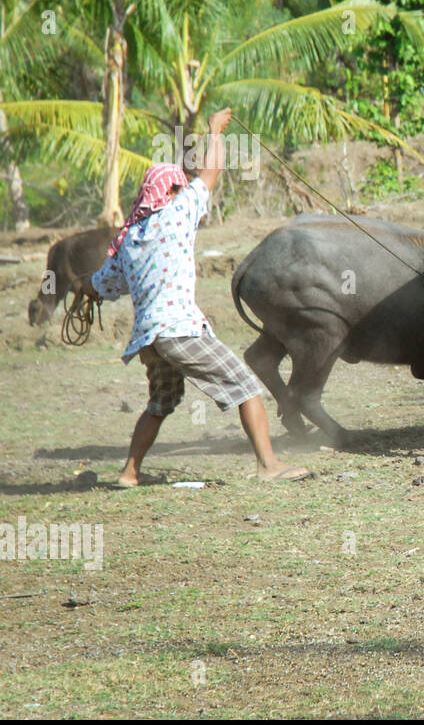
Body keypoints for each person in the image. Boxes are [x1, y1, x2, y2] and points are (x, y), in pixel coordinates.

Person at [82, 108, 309, 485]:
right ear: (170, 191)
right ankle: (269, 466)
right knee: (247, 387)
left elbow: (98, 285)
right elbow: (210, 174)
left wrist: (78, 287)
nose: (183, 190)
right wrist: (214, 131)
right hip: (180, 331)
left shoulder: (127, 242)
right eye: (178, 186)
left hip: (149, 340)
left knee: (160, 403)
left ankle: (129, 473)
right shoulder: (176, 214)